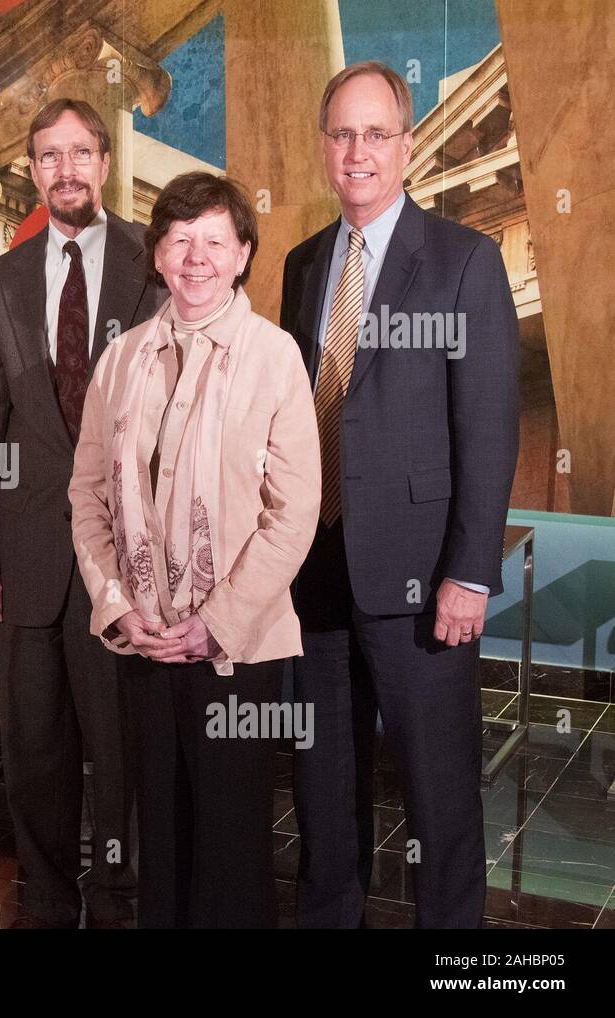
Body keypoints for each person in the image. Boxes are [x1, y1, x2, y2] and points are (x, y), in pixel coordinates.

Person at [281, 61, 519, 928]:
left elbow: (489, 432)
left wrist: (470, 572)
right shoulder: (305, 264)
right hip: (316, 575)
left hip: (422, 581)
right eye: (342, 133)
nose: (357, 152)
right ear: (322, 147)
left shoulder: (465, 261)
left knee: (439, 798)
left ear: (408, 146)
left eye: (376, 133)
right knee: (323, 790)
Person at [69, 171, 320, 928]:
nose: (196, 257)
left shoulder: (274, 356)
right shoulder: (121, 360)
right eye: (179, 240)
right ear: (157, 255)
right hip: (146, 644)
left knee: (232, 838)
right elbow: (87, 497)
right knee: (164, 836)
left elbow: (295, 509)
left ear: (243, 254)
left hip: (237, 647)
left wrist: (217, 619)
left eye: (215, 240)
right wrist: (117, 607)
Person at [0, 99, 164, 928]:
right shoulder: (0, 282)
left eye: (82, 153)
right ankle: (45, 899)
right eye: (51, 156)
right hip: (28, 555)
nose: (67, 170)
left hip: (128, 553)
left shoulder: (157, 260)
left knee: (121, 750)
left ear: (105, 163)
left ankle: (122, 899)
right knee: (35, 752)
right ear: (34, 170)